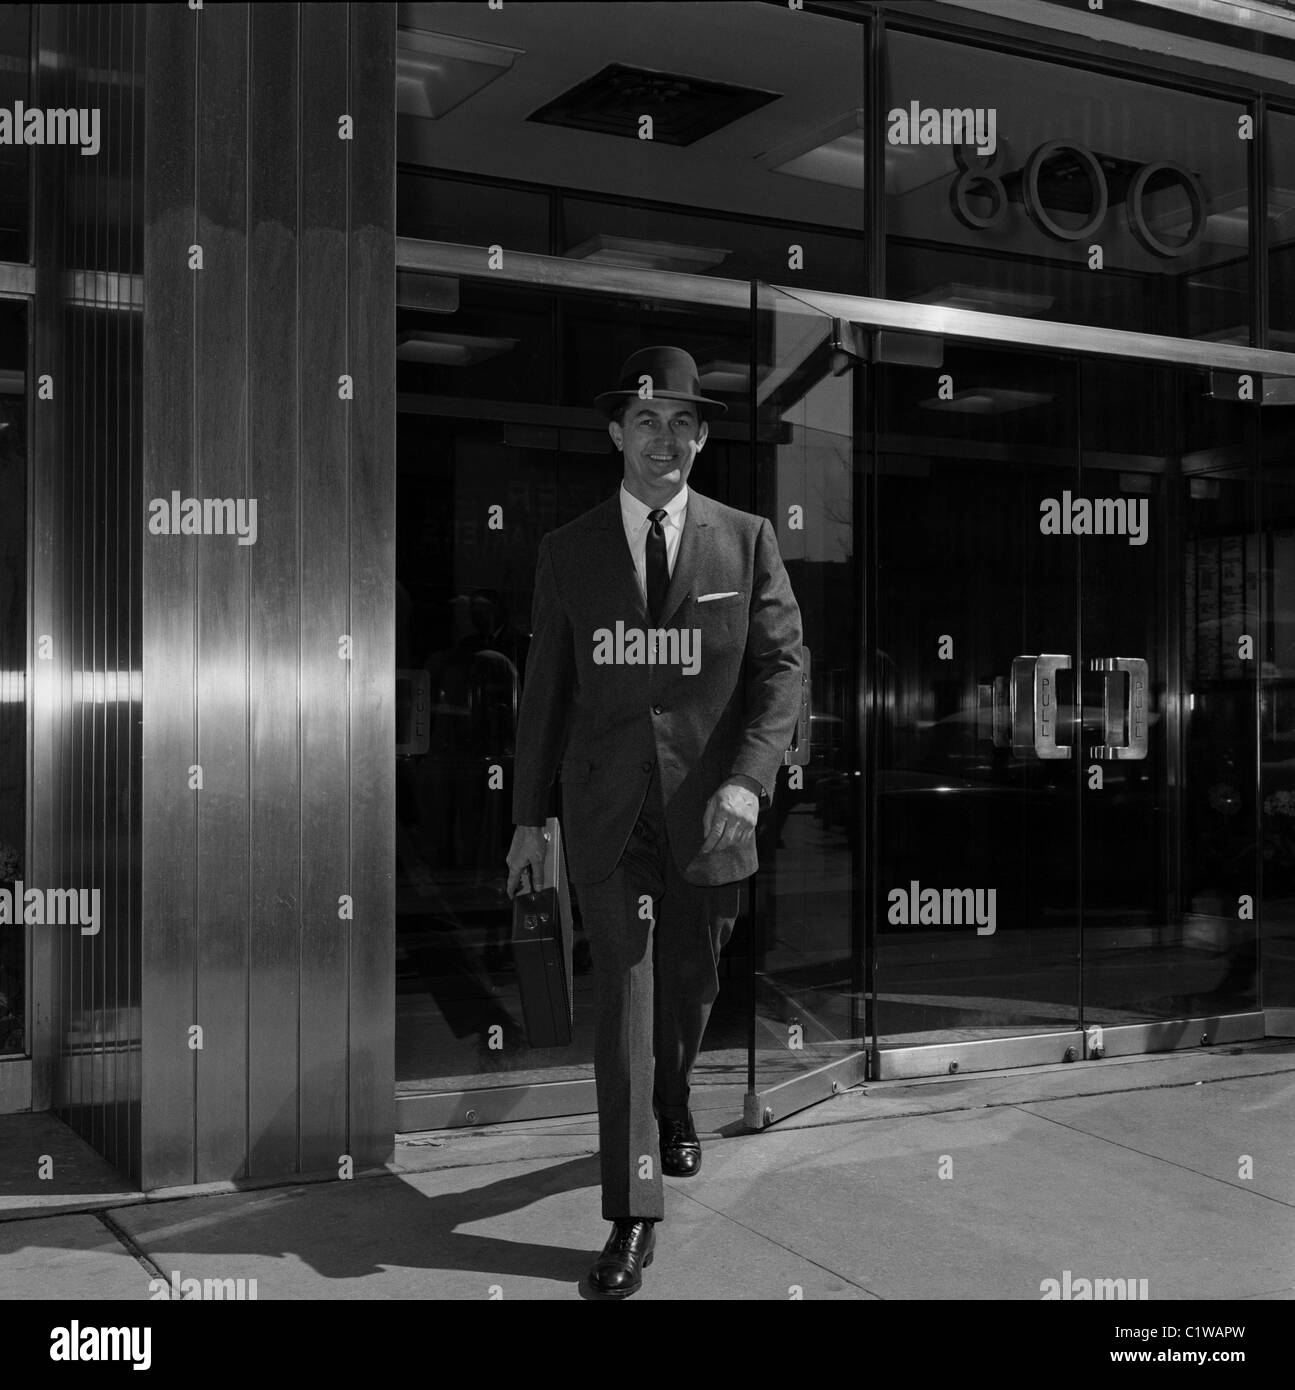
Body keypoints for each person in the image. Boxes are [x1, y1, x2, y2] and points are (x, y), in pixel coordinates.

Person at [505, 345, 803, 1298]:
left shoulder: (745, 537)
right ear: (614, 434)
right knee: (624, 1012)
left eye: (681, 422)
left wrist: (749, 781)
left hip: (714, 814)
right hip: (606, 815)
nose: (662, 438)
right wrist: (525, 819)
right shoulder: (570, 549)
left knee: (689, 988)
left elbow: (782, 671)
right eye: (644, 420)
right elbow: (545, 693)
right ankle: (632, 1216)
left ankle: (673, 1100)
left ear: (702, 437)